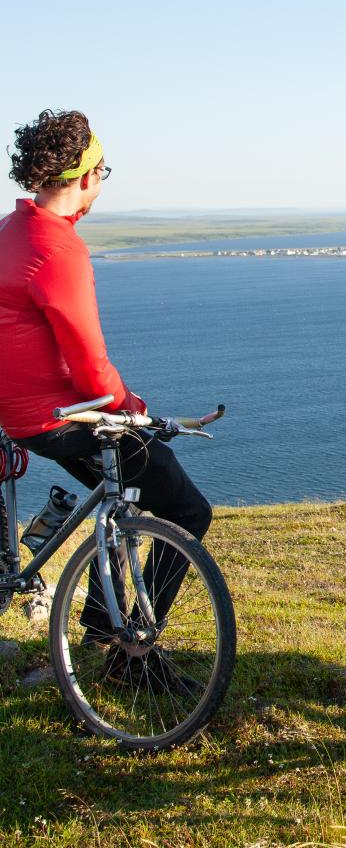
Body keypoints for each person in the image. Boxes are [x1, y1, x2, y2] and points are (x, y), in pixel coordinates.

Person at [0, 110, 212, 683]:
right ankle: (131, 653)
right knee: (188, 509)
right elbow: (91, 367)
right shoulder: (58, 249)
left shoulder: (11, 230)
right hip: (58, 417)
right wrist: (132, 406)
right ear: (88, 175)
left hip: (22, 414)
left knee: (128, 487)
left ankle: (101, 626)